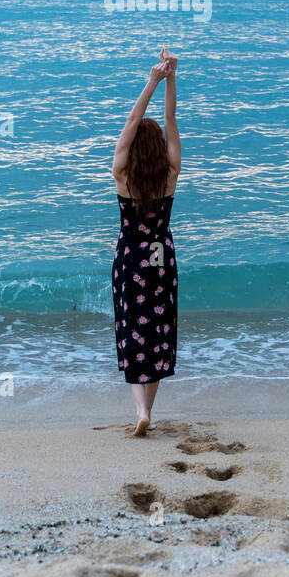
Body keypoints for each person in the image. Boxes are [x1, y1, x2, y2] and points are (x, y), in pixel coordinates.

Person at [111, 44, 181, 435]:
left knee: (132, 329)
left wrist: (150, 82)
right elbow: (170, 121)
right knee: (156, 332)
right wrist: (172, 78)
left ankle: (141, 413)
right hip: (161, 260)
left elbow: (130, 125)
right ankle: (147, 413)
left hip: (130, 260)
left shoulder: (123, 174)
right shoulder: (170, 173)